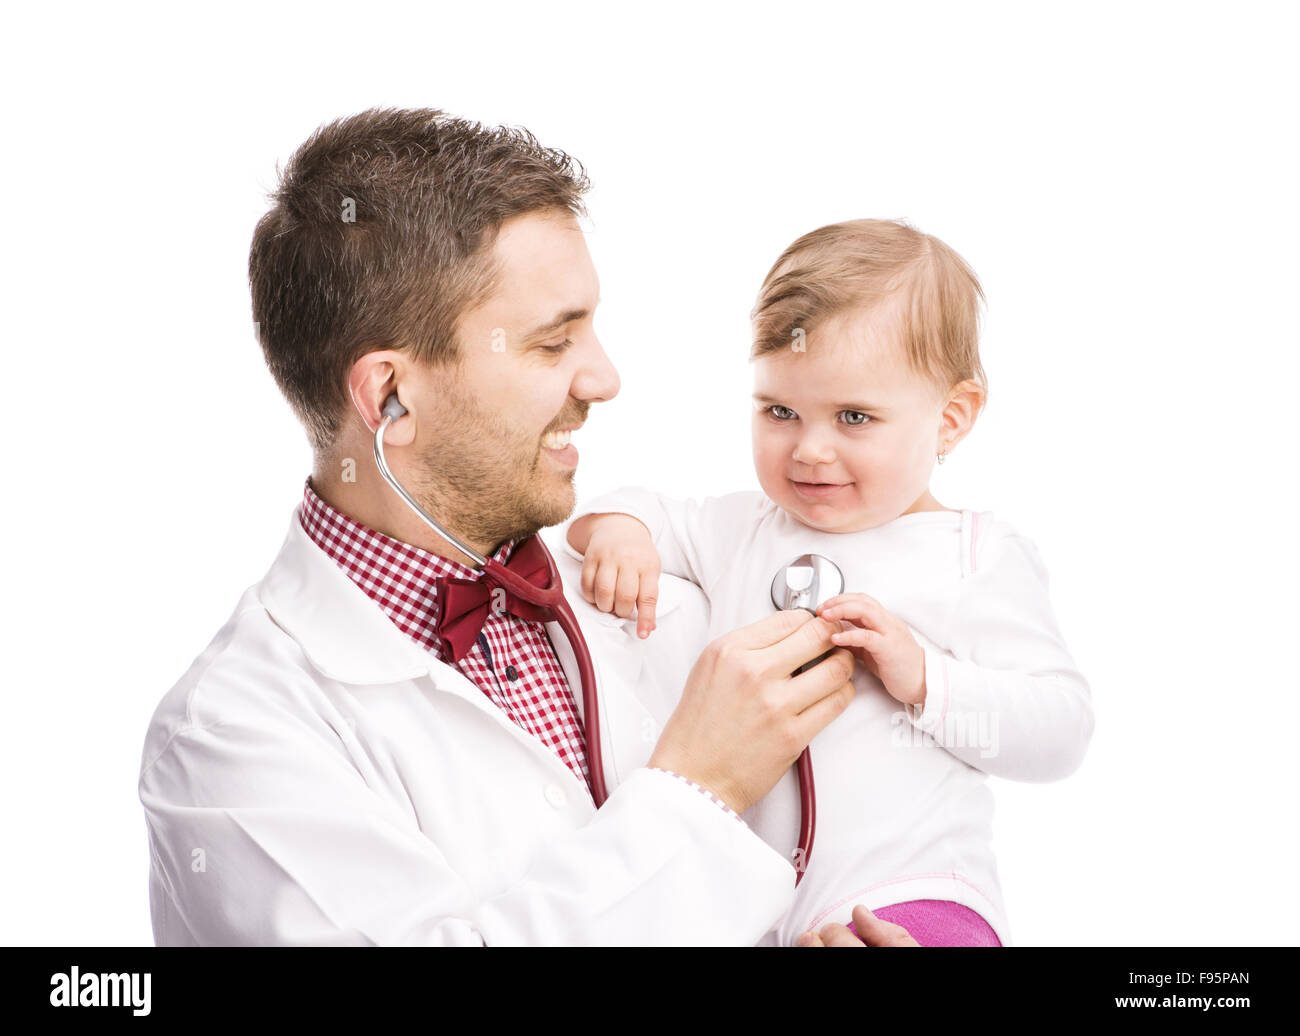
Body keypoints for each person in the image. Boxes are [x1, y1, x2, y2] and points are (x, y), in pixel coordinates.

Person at [137, 108, 912, 946]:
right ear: (389, 396)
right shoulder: (229, 741)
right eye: (553, 344)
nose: (605, 377)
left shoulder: (659, 600)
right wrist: (699, 786)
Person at [564, 219, 1096, 946]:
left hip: (916, 900)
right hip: (756, 915)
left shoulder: (975, 557)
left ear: (951, 418)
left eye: (854, 417)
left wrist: (926, 678)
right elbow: (626, 508)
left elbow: (1061, 729)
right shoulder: (745, 527)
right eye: (780, 411)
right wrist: (620, 534)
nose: (810, 450)